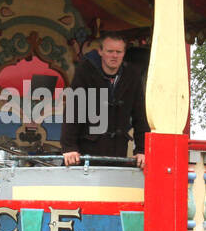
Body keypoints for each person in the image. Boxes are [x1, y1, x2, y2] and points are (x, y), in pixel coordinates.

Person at [61, 33, 147, 168]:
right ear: (100, 51)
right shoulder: (85, 71)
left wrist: (142, 150)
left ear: (124, 53)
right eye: (110, 51)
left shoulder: (132, 76)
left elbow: (140, 116)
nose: (114, 56)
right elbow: (73, 110)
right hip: (87, 152)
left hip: (118, 152)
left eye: (118, 52)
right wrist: (69, 147)